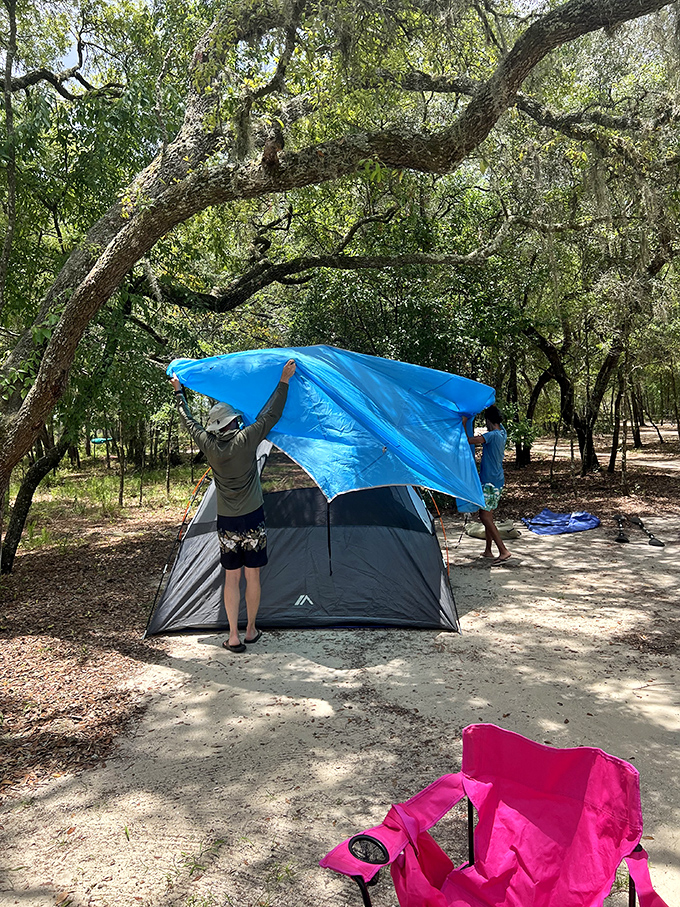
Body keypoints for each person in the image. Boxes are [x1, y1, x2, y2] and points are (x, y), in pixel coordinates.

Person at [170, 359, 297, 652]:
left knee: (231, 577)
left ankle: (233, 636)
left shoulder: (209, 445)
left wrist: (180, 393)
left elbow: (189, 423)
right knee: (252, 576)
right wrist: (284, 380)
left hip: (226, 522)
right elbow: (271, 415)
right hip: (253, 517)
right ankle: (251, 630)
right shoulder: (246, 439)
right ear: (233, 422)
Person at [461, 405, 512, 565]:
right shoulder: (502, 432)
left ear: (489, 421)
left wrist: (464, 423)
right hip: (497, 480)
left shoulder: (492, 435)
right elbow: (496, 424)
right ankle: (488, 550)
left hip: (490, 482)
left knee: (484, 516)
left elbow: (469, 440)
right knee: (488, 514)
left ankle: (503, 551)